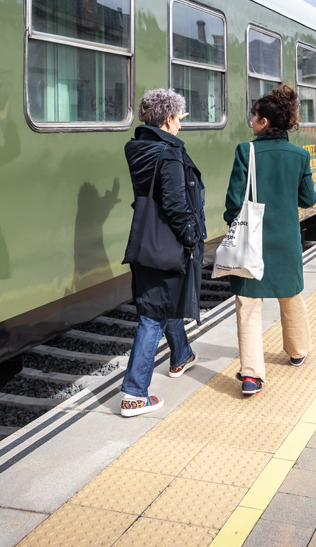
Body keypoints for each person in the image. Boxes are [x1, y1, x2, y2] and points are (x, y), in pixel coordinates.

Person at [223, 85, 316, 396]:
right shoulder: (300, 155)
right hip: (287, 239)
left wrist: (232, 224)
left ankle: (251, 375)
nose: (251, 120)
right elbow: (308, 199)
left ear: (264, 122)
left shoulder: (245, 151)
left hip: (253, 241)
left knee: (248, 305)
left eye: (254, 116)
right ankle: (297, 350)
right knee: (290, 296)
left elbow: (234, 202)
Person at [120, 89, 203, 417]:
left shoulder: (137, 148)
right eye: (179, 118)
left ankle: (181, 354)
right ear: (168, 119)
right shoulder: (168, 154)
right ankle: (134, 393)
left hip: (145, 240)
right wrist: (192, 237)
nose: (181, 124)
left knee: (159, 302)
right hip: (166, 244)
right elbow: (174, 204)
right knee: (151, 317)